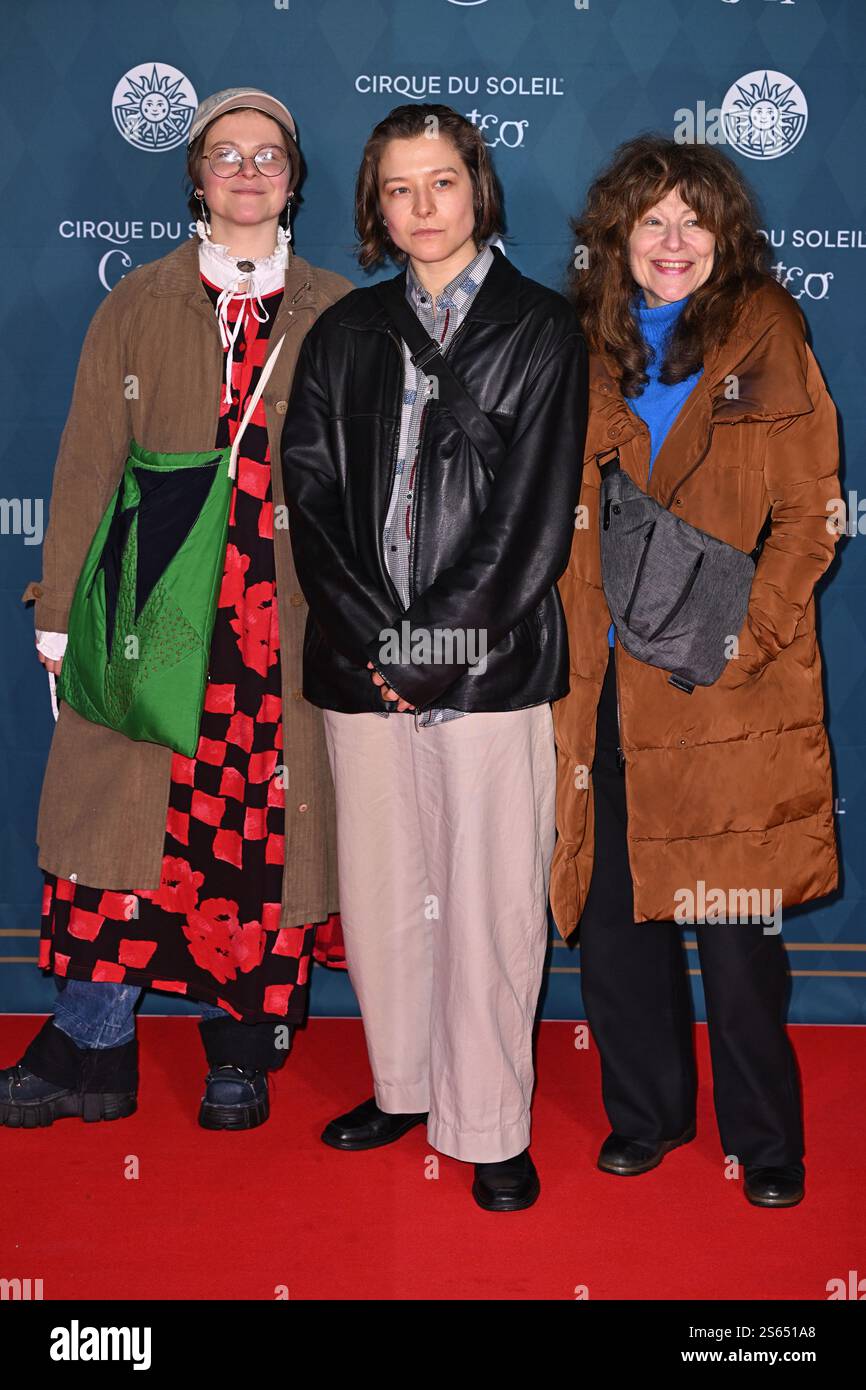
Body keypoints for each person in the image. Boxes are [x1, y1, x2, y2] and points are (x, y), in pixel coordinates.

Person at [3, 87, 353, 1132]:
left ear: (293, 182)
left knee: (256, 834)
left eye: (267, 156)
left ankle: (239, 1051)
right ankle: (97, 1044)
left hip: (280, 620)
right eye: (223, 154)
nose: (246, 171)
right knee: (121, 829)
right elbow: (85, 465)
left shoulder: (335, 311)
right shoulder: (140, 302)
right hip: (147, 607)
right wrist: (59, 612)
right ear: (195, 177)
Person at [281, 102, 588, 1211]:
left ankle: (489, 1120)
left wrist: (429, 650)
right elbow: (307, 500)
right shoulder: (344, 332)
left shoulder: (540, 330)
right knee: (382, 892)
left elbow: (529, 527)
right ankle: (404, 1084)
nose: (421, 208)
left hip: (487, 669)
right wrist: (376, 642)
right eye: (399, 189)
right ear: (374, 203)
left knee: (489, 901)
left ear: (478, 189)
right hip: (363, 673)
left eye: (441, 183)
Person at [551, 135, 841, 1206]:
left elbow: (810, 518)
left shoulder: (768, 336)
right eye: (649, 222)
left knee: (735, 944)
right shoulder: (581, 346)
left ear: (723, 239)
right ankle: (646, 1114)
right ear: (616, 239)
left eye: (692, 223)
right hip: (611, 694)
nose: (670, 244)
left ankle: (766, 1144)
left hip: (728, 700)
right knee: (620, 928)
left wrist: (739, 638)